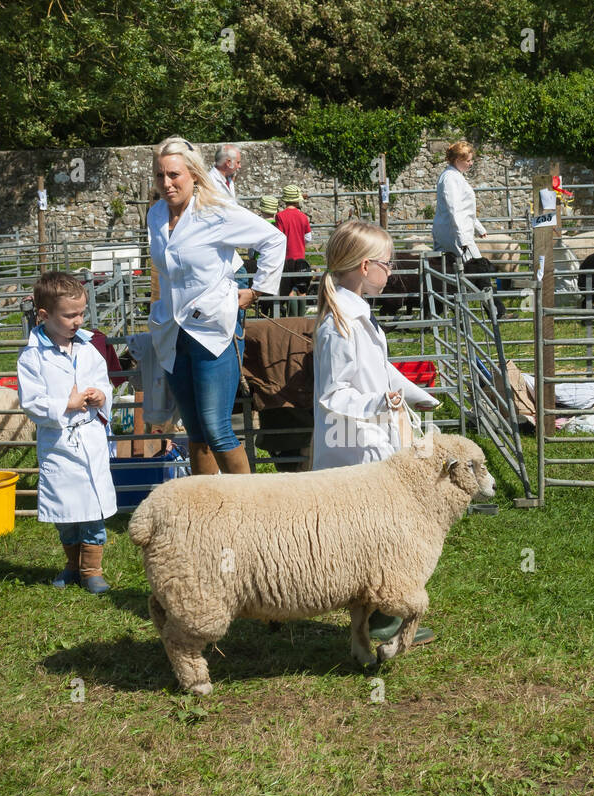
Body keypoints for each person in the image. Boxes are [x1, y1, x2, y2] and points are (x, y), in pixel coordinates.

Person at [312, 219, 440, 643]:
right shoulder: (338, 326)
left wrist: (415, 394)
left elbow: (379, 370)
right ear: (366, 267)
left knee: (383, 534)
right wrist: (377, 403)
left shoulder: (360, 317)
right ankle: (382, 623)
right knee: (376, 537)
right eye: (388, 262)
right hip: (354, 445)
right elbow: (334, 393)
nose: (392, 269)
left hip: (372, 437)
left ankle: (378, 621)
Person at [148, 136, 285, 475]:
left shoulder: (215, 212)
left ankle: (249, 508)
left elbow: (273, 239)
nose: (166, 183)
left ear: (193, 174)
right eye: (160, 175)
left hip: (211, 329)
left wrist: (256, 292)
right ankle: (207, 508)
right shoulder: (155, 215)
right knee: (194, 430)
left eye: (174, 175)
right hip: (173, 331)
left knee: (216, 426)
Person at [17, 271, 117, 594]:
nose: (78, 321)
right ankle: (72, 564)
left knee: (91, 506)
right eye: (70, 315)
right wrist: (66, 403)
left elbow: (102, 380)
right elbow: (31, 402)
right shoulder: (32, 357)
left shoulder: (88, 348)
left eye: (81, 313)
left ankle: (92, 569)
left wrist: (102, 396)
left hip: (89, 437)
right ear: (44, 315)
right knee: (65, 511)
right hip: (59, 441)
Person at [432, 140, 503, 320]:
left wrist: (478, 227)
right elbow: (454, 208)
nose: (471, 164)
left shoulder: (455, 176)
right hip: (455, 234)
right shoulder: (450, 178)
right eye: (468, 160)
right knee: (478, 270)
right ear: (457, 159)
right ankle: (496, 312)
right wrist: (462, 238)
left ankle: (462, 312)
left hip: (456, 231)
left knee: (455, 272)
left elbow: (465, 209)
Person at [274, 184, 313, 317]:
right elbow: (308, 237)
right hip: (300, 257)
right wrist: (301, 243)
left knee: (289, 290)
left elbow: (279, 237)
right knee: (302, 289)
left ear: (285, 200)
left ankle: (292, 320)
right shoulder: (303, 217)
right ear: (297, 200)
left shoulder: (280, 216)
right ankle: (302, 319)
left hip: (287, 258)